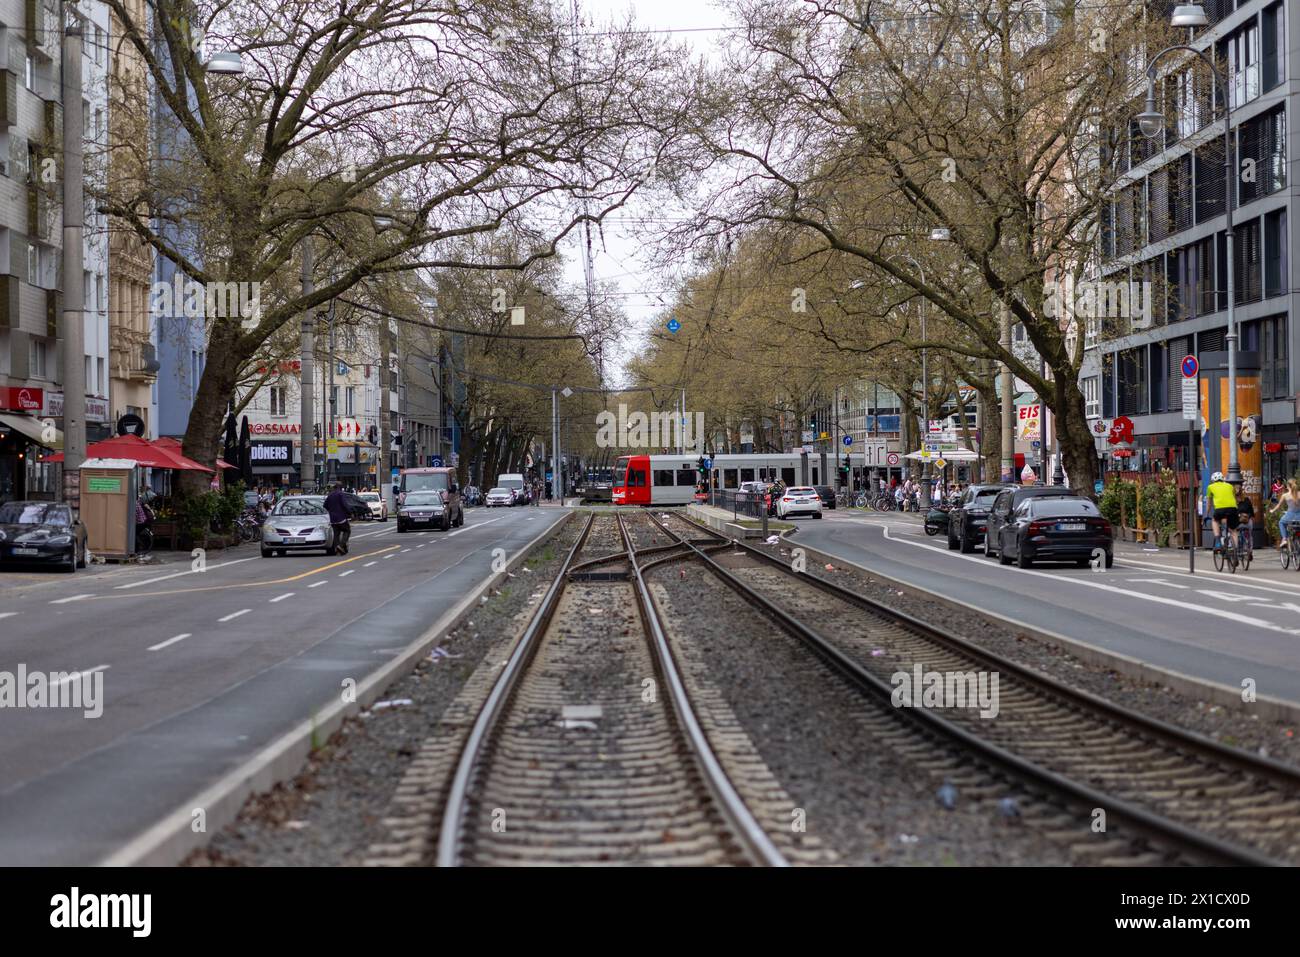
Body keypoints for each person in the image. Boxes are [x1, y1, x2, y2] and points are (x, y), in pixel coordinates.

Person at [1205, 471, 1238, 551]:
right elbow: (1234, 498)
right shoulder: (1230, 486)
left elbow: (1209, 504)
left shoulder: (1210, 487)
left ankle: (1218, 542)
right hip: (1233, 509)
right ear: (1223, 479)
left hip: (1220, 509)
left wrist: (1206, 514)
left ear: (1213, 480)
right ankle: (1235, 551)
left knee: (1214, 520)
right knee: (1233, 530)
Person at [1269, 479, 1300, 551]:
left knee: (1281, 522)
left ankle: (1284, 539)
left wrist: (1272, 511)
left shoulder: (1285, 495)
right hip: (1299, 516)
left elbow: (1278, 506)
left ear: (1288, 486)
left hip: (1289, 516)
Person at [323, 481, 352, 555]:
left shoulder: (330, 495)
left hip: (333, 518)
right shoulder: (340, 494)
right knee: (347, 530)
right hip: (341, 517)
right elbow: (344, 505)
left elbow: (325, 505)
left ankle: (337, 548)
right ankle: (341, 545)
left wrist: (331, 510)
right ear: (340, 487)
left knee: (336, 533)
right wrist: (350, 512)